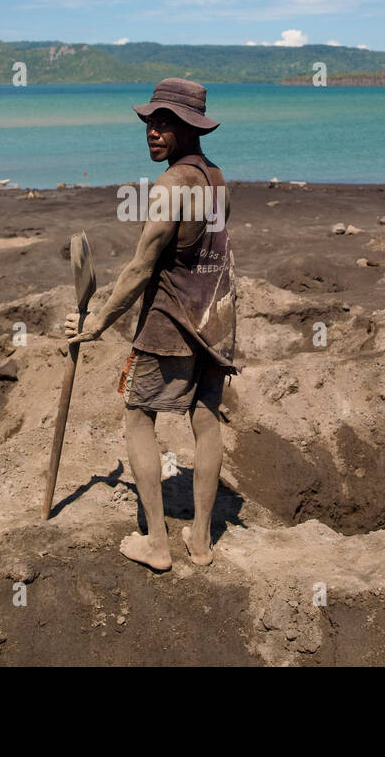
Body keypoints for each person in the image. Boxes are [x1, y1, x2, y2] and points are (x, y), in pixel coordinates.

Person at [66, 78, 237, 571]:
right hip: (217, 317)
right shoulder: (218, 178)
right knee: (205, 420)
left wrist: (98, 322)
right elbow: (209, 249)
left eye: (165, 122)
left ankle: (158, 544)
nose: (153, 131)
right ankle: (200, 543)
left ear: (189, 127)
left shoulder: (169, 187)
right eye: (150, 122)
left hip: (173, 320)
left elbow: (142, 268)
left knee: (139, 417)